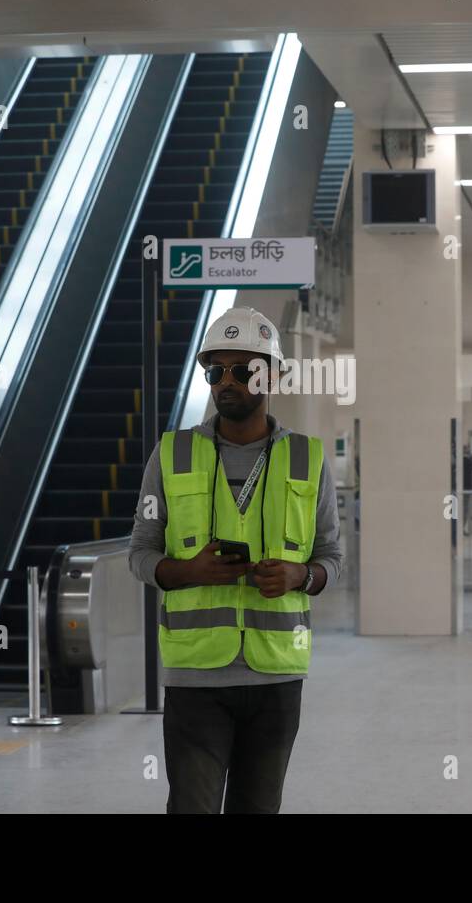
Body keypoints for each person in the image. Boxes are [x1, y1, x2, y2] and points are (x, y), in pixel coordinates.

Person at [128, 306, 342, 814]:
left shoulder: (308, 459)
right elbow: (140, 552)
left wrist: (301, 575)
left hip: (276, 676)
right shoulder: (171, 455)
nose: (227, 382)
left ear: (273, 375)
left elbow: (332, 557)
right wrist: (185, 572)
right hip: (195, 674)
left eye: (244, 371)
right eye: (215, 371)